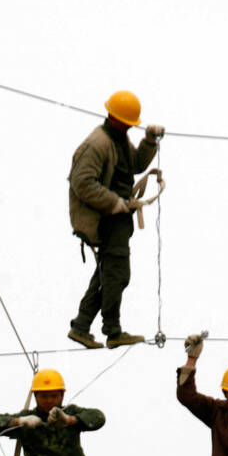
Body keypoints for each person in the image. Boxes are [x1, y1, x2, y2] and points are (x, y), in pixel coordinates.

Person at [68, 91, 164, 350]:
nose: (129, 127)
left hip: (118, 218)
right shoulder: (98, 143)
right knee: (117, 274)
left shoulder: (117, 138)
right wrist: (114, 203)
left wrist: (149, 141)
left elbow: (134, 164)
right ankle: (112, 330)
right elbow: (81, 182)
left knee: (106, 275)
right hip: (106, 219)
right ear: (114, 117)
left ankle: (81, 325)